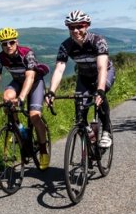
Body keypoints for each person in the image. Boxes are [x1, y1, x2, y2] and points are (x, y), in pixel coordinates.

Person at [45, 10, 116, 148]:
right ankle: (88, 133)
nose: (76, 30)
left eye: (80, 26)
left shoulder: (98, 41)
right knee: (79, 116)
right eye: (71, 27)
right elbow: (59, 69)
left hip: (104, 72)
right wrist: (51, 91)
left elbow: (102, 68)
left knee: (100, 95)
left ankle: (106, 131)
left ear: (87, 26)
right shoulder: (66, 46)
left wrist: (100, 90)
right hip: (84, 77)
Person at [0, 27, 51, 169]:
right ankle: (19, 128)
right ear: (1, 45)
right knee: (7, 97)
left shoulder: (27, 54)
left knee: (34, 116)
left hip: (34, 83)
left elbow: (30, 76)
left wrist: (22, 97)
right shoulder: (0, 58)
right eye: (4, 44)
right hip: (17, 81)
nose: (8, 46)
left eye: (11, 42)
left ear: (16, 42)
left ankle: (43, 151)